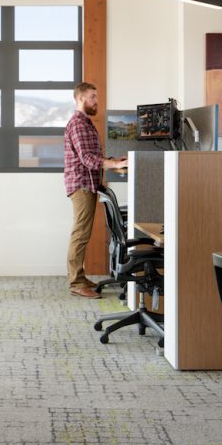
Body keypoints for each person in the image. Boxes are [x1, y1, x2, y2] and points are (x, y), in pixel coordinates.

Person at [63, 81, 127, 298]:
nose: (96, 101)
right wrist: (115, 165)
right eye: (92, 97)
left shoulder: (85, 122)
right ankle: (76, 283)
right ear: (80, 98)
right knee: (80, 233)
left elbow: (93, 156)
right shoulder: (79, 124)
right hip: (81, 184)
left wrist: (111, 160)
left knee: (83, 232)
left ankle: (79, 277)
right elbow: (87, 159)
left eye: (96, 97)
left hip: (86, 183)